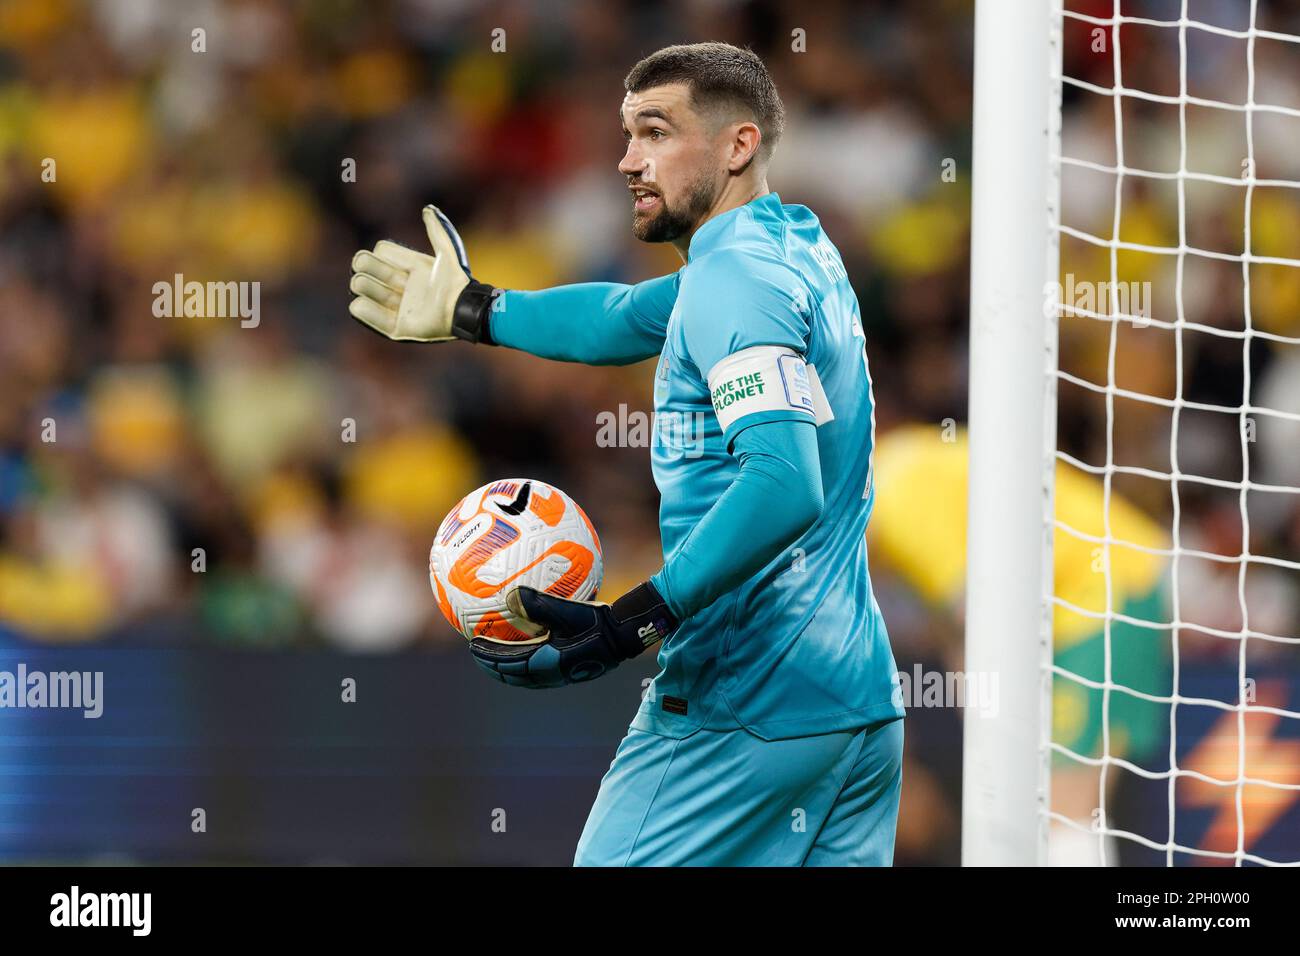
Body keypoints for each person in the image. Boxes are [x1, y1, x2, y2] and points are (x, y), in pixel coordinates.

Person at [348, 42, 903, 866]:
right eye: (626, 134)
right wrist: (475, 309)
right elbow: (621, 318)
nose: (626, 160)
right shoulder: (790, 249)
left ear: (737, 145)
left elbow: (787, 482)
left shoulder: (734, 283)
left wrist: (629, 623)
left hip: (741, 701)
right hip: (852, 710)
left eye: (654, 132)